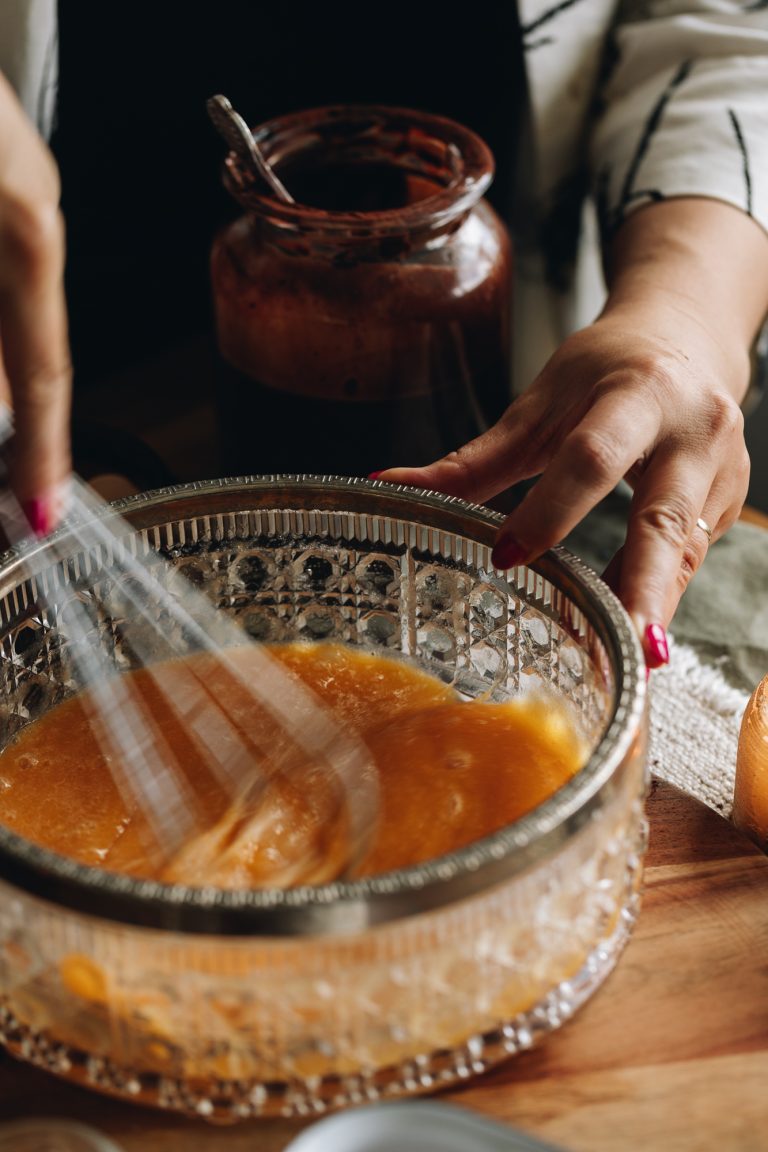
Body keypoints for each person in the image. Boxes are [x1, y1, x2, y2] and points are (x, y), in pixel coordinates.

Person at [0, 1, 767, 673]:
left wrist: (684, 317)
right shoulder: (242, 260)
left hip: (512, 475)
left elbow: (726, 28)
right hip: (68, 404)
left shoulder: (474, 254)